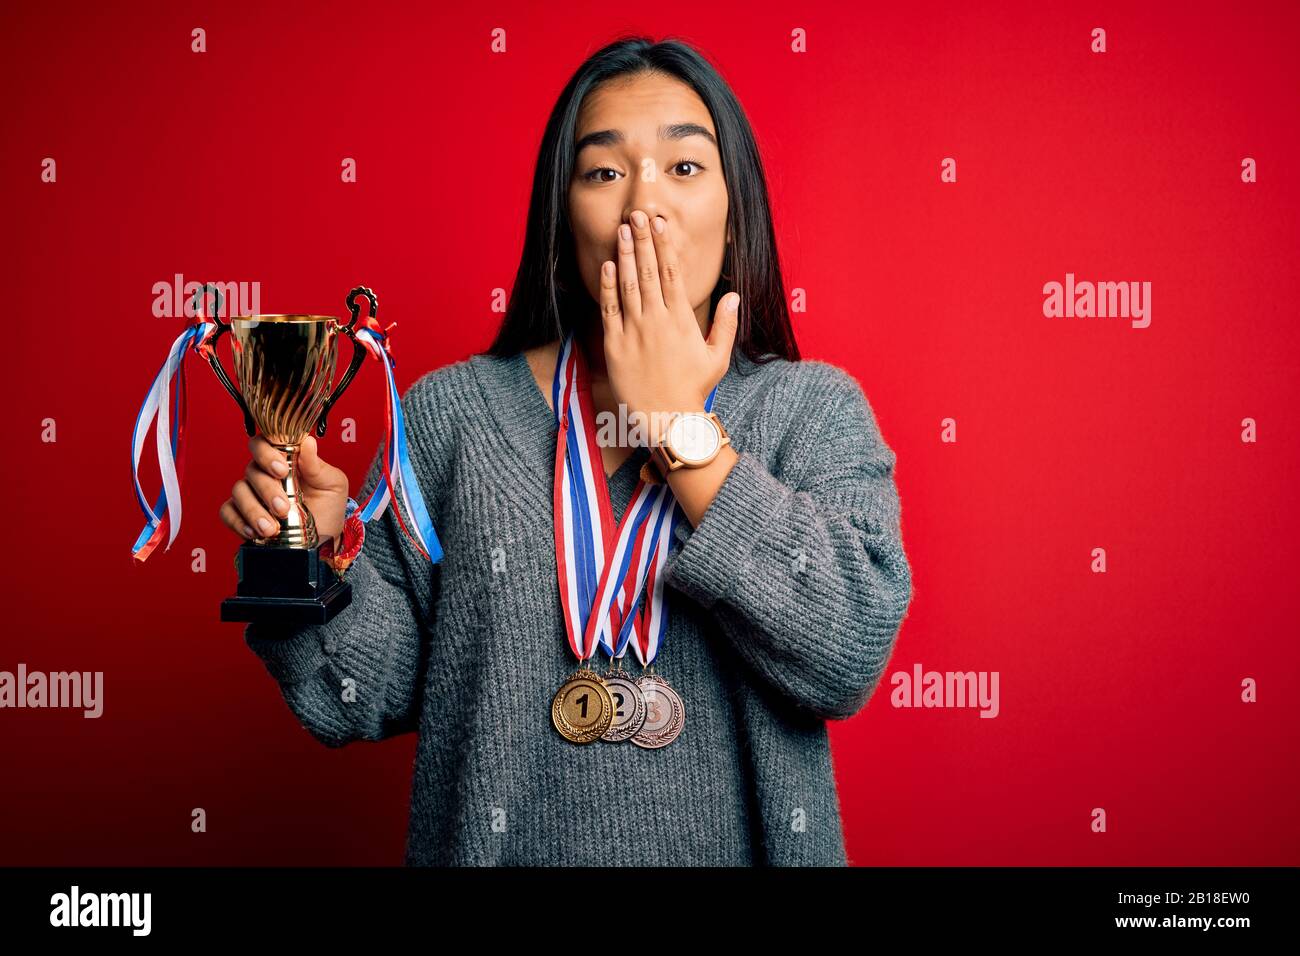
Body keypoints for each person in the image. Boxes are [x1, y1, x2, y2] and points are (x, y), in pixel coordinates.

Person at [222, 35, 913, 866]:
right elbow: (358, 698)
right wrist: (311, 555)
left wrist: (678, 426)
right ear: (562, 221)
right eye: (604, 172)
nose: (643, 204)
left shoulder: (813, 410)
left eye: (684, 168)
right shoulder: (450, 417)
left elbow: (848, 652)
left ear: (737, 216)